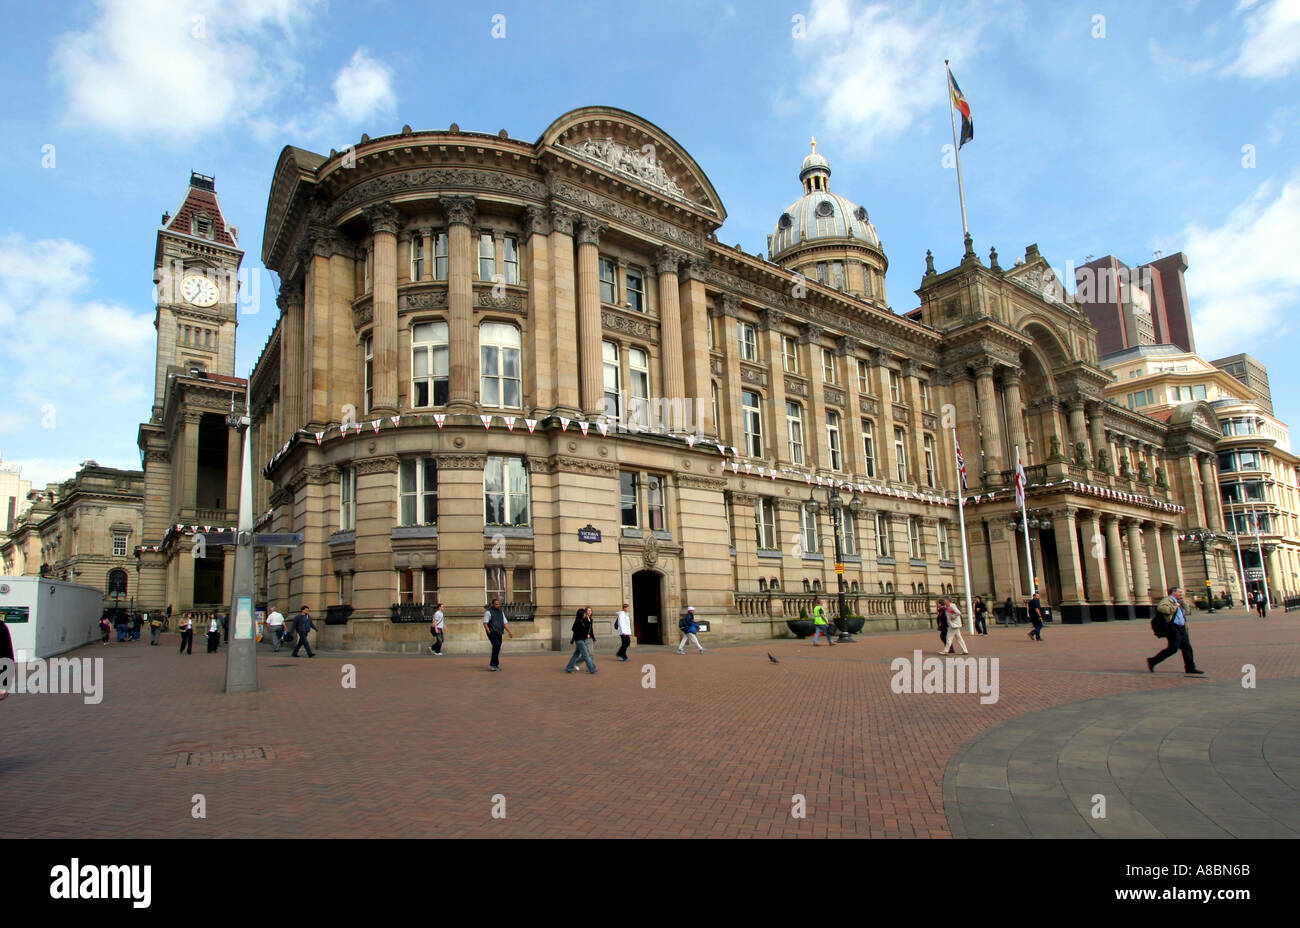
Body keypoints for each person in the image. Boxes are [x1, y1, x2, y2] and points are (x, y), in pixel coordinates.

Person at [1148, 586, 1204, 675]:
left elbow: (1188, 611)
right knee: (1173, 648)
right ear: (1173, 593)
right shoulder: (1167, 600)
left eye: (1182, 592)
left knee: (1187, 648)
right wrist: (1174, 606)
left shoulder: (1180, 601)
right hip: (1173, 627)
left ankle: (1190, 668)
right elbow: (1161, 608)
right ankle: (1153, 661)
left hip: (1182, 627)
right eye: (1179, 592)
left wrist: (1183, 603)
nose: (1181, 594)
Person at [565, 606, 598, 674]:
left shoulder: (585, 620)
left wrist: (588, 620)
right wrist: (573, 640)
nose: (586, 614)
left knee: (576, 655)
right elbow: (574, 630)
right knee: (586, 655)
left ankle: (569, 668)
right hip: (579, 640)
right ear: (581, 614)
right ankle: (592, 669)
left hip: (582, 640)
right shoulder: (578, 621)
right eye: (584, 613)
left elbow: (589, 628)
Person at [482, 597, 512, 671]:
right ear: (492, 604)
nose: (497, 605)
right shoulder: (488, 612)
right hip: (492, 632)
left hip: (499, 632)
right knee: (497, 646)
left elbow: (504, 623)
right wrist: (489, 632)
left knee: (497, 648)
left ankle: (495, 664)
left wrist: (509, 632)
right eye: (496, 604)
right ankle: (493, 664)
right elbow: (485, 623)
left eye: (498, 604)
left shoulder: (501, 612)